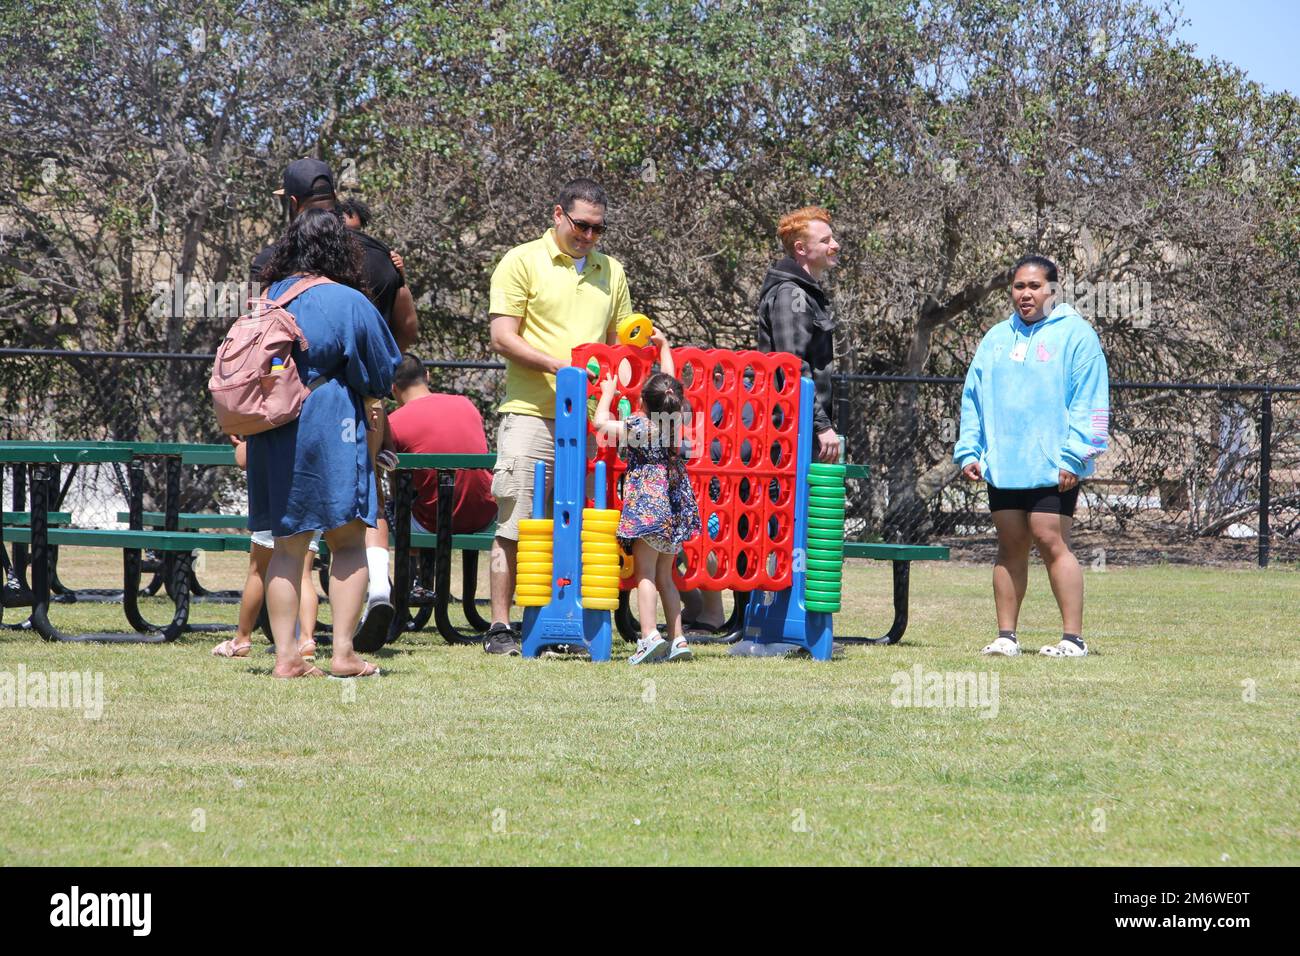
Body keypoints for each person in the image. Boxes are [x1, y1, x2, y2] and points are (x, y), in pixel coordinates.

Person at [252, 161, 416, 649]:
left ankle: (286, 655)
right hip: (338, 422)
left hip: (276, 421)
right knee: (346, 542)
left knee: (286, 548)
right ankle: (342, 653)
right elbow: (385, 369)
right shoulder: (353, 298)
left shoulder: (268, 294)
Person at [485, 178, 632, 655]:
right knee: (519, 522)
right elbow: (503, 337)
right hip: (531, 413)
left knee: (588, 521)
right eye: (582, 226)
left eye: (598, 229)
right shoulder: (521, 260)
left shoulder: (613, 272)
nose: (589, 237)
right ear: (558, 215)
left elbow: (622, 347)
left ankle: (578, 618)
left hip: (589, 422)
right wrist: (558, 366)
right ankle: (502, 628)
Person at [954, 254, 1110, 658]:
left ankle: (1073, 639)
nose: (1026, 294)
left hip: (1053, 465)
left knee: (1049, 538)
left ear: (1053, 290)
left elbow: (1090, 400)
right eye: (1020, 286)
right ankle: (1006, 637)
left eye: (1035, 286)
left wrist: (1074, 456)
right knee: (1010, 545)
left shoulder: (1076, 335)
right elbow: (973, 397)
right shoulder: (996, 339)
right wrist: (970, 448)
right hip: (1004, 464)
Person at [594, 333, 701, 664]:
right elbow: (670, 384)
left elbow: (599, 424)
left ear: (641, 402)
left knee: (644, 574)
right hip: (672, 506)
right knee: (666, 576)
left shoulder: (639, 425)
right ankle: (678, 638)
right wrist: (665, 348)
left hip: (647, 507)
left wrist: (608, 394)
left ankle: (649, 636)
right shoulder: (675, 419)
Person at [211, 435, 320, 659]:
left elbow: (243, 460)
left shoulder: (268, 413)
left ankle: (242, 639)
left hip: (275, 499)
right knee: (304, 574)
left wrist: (241, 444)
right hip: (311, 495)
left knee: (258, 571)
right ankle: (306, 640)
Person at [756, 205, 842, 464]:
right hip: (789, 435)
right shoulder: (790, 294)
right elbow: (792, 367)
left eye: (832, 238)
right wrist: (822, 425)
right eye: (825, 241)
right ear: (801, 249)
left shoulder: (804, 292)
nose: (835, 245)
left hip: (803, 429)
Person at [386, 353, 496, 535]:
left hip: (433, 523)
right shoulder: (466, 404)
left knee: (385, 513)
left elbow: (395, 482)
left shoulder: (393, 422)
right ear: (427, 376)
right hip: (485, 515)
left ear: (393, 388)